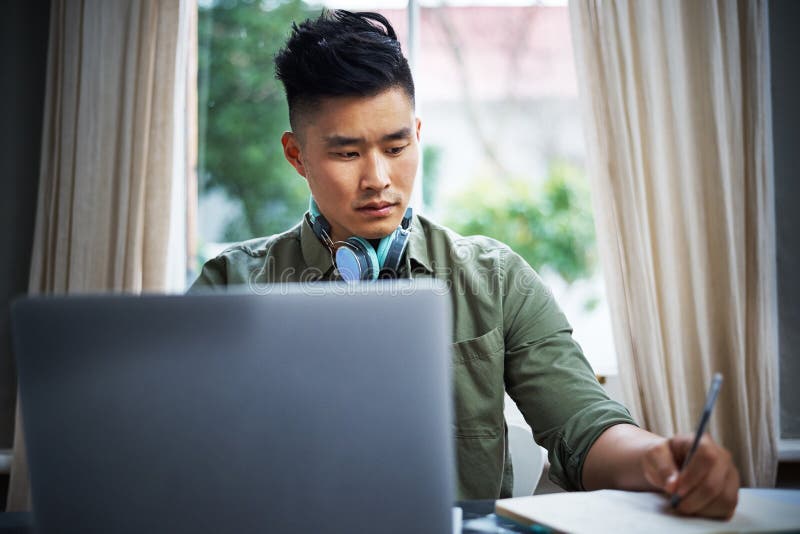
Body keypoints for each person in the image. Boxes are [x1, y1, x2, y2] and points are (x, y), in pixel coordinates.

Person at [190, 9, 739, 518]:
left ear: (418, 136)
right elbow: (181, 454)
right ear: (296, 156)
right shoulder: (232, 286)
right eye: (347, 153)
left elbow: (583, 427)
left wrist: (659, 461)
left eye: (396, 147)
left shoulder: (494, 279)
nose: (378, 178)